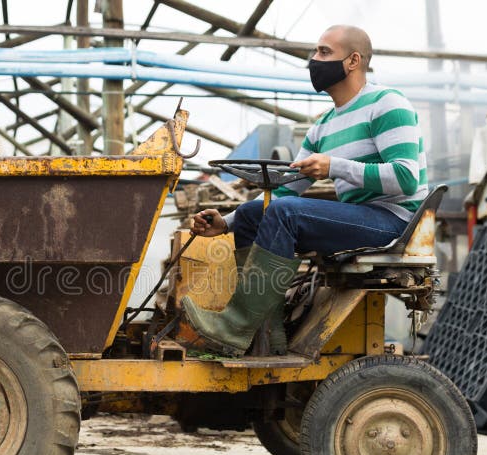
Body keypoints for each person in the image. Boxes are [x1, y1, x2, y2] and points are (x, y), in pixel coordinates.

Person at [182, 24, 428, 356]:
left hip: (395, 222)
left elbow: (407, 178)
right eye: (315, 52)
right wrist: (227, 221)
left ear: (353, 60)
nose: (314, 60)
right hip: (361, 217)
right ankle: (269, 333)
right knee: (258, 212)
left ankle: (235, 326)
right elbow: (285, 190)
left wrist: (334, 166)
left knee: (286, 214)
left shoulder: (386, 104)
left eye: (324, 52)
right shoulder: (322, 126)